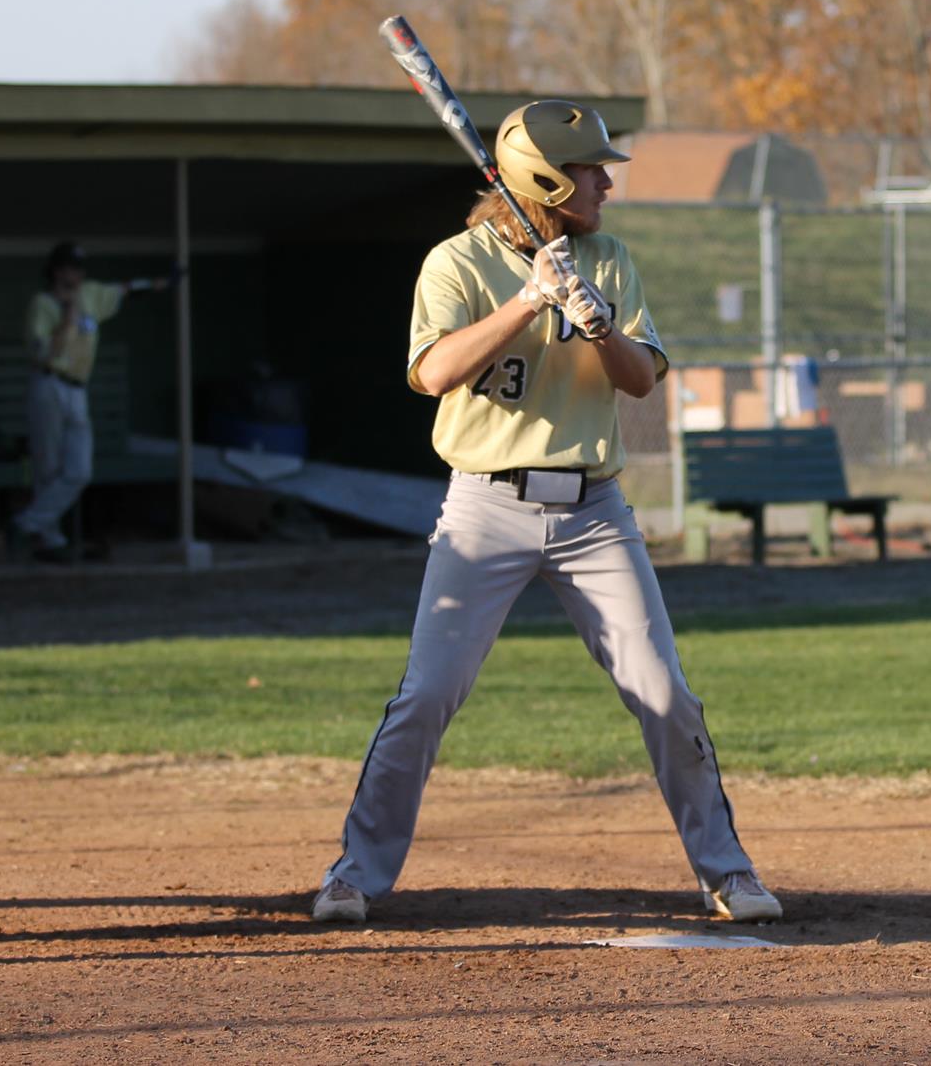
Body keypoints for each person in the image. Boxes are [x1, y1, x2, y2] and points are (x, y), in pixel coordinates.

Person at [313, 100, 782, 925]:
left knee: (665, 692)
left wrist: (599, 326)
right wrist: (529, 301)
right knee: (426, 695)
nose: (605, 181)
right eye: (592, 170)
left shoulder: (609, 259)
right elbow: (431, 373)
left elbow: (640, 380)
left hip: (594, 511)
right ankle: (355, 873)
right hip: (484, 507)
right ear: (547, 180)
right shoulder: (455, 263)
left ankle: (727, 869)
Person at [13, 242, 167, 561]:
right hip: (49, 383)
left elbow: (126, 290)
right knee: (48, 466)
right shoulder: (42, 304)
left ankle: (26, 524)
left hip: (77, 388)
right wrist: (68, 312)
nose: (76, 274)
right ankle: (49, 541)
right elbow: (47, 352)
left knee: (80, 469)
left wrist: (163, 282)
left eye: (79, 268)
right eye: (70, 268)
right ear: (56, 271)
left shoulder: (91, 294)